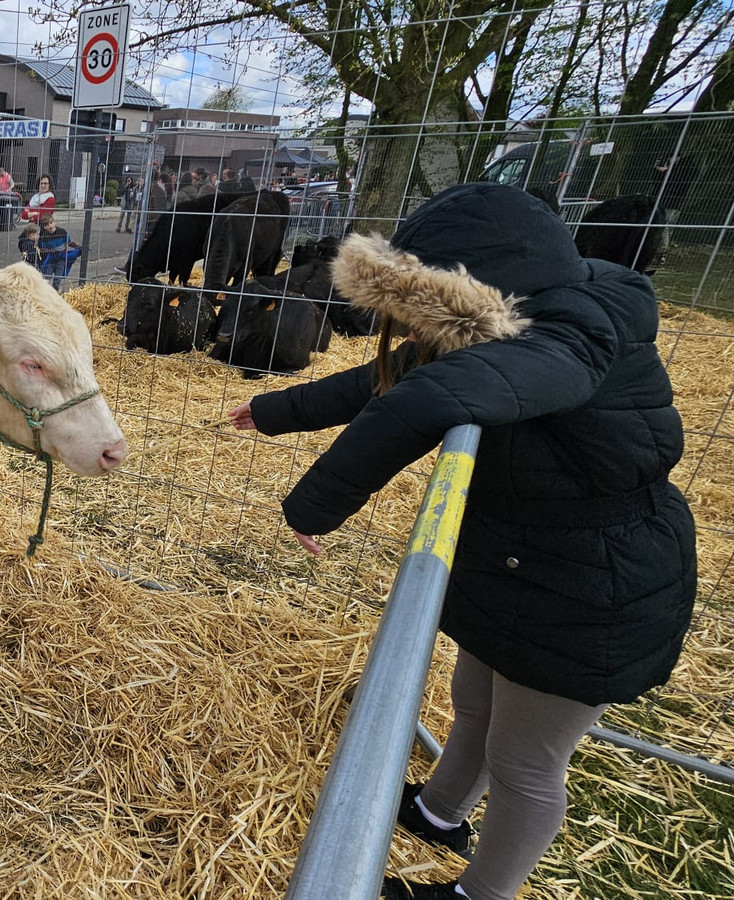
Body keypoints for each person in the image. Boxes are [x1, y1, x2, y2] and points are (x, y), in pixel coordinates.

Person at [225, 184, 696, 900]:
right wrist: (271, 411)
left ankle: (481, 893)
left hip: (594, 587)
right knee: (473, 700)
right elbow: (398, 375)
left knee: (526, 764)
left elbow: (427, 397)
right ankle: (439, 812)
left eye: (420, 310)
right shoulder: (518, 324)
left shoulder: (568, 341)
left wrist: (313, 509)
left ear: (472, 290)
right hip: (526, 564)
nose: (411, 331)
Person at [36, 213, 78, 290]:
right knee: (47, 277)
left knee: (58, 278)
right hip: (51, 259)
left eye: (51, 223)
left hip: (61, 259)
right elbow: (43, 249)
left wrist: (77, 246)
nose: (49, 226)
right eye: (46, 225)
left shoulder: (62, 232)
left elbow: (69, 242)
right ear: (44, 227)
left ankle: (55, 290)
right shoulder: (44, 237)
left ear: (54, 222)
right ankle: (46, 291)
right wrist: (49, 251)